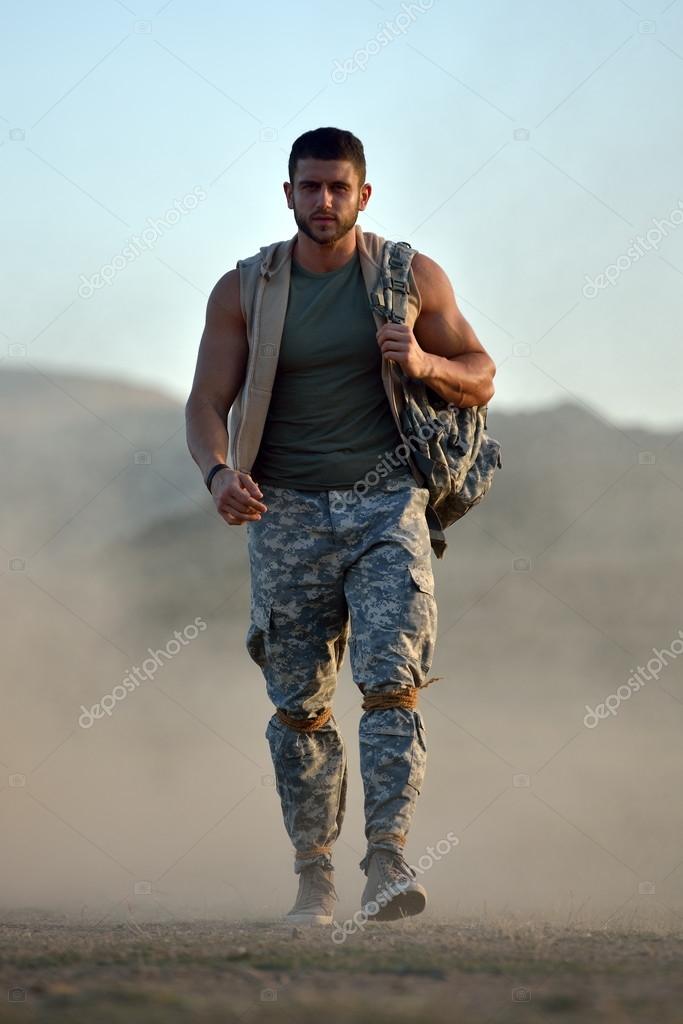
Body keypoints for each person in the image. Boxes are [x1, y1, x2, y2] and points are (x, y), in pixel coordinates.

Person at [185, 127, 496, 926]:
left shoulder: (407, 277)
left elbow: (481, 373)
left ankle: (387, 861)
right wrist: (219, 474)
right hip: (282, 509)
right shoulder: (244, 288)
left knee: (393, 681)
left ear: (364, 195)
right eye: (309, 188)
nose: (323, 202)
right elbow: (204, 404)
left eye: (338, 188)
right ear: (286, 194)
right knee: (298, 706)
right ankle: (313, 874)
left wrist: (422, 363)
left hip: (387, 503)